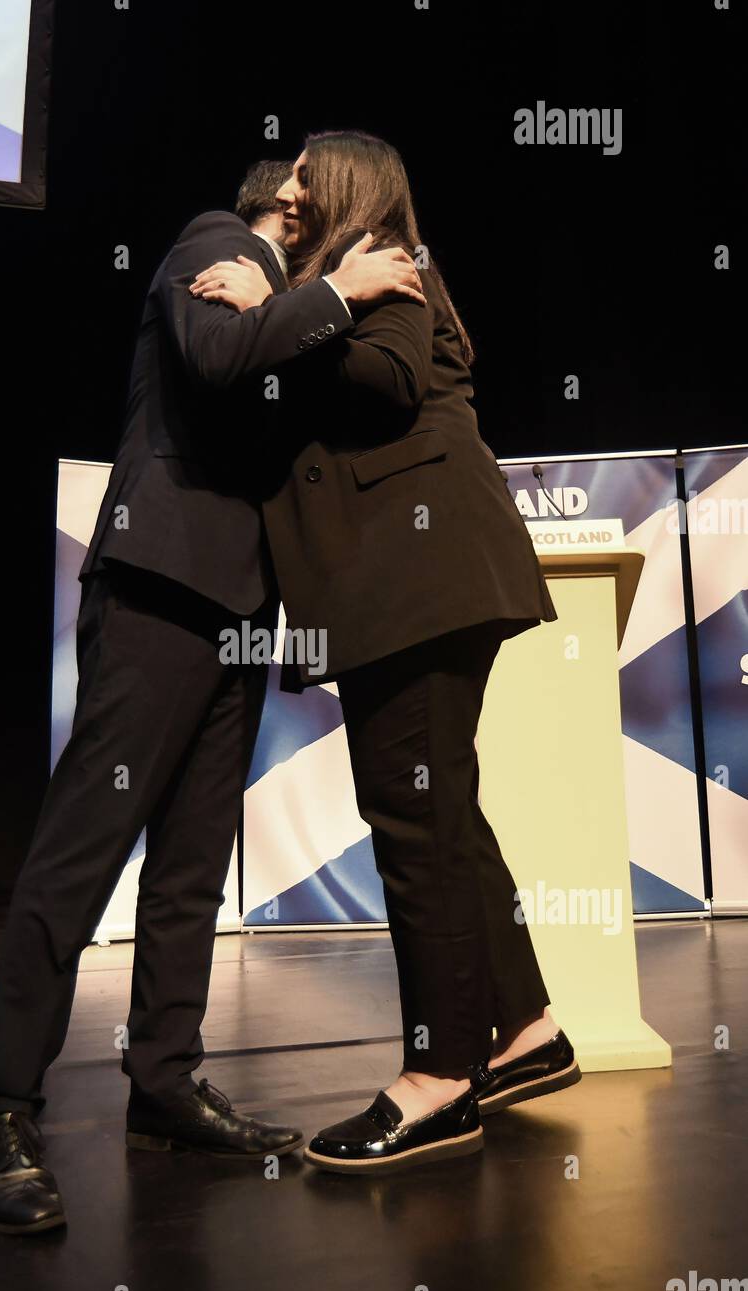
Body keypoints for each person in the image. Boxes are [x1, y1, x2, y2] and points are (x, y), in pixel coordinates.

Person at [0, 159, 427, 1232]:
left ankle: (164, 1084)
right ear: (289, 200)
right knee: (82, 851)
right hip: (161, 586)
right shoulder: (213, 238)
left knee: (189, 869)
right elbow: (215, 357)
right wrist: (332, 295)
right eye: (314, 190)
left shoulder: (283, 304)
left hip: (240, 607)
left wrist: (319, 313)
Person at [189, 131, 581, 1174]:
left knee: (414, 822)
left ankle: (438, 1076)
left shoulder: (389, 270)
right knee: (440, 811)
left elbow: (388, 383)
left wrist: (276, 307)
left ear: (353, 188)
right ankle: (525, 1031)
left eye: (310, 173)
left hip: (422, 583)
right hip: (418, 587)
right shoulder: (358, 278)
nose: (293, 186)